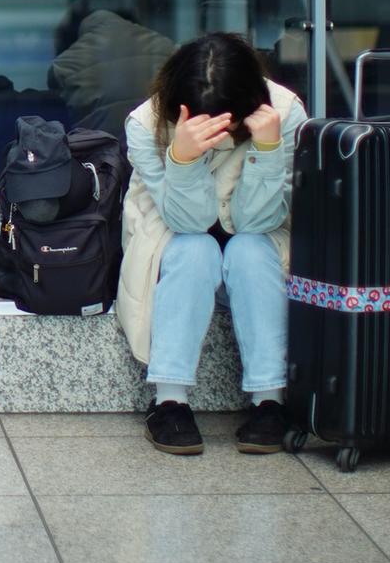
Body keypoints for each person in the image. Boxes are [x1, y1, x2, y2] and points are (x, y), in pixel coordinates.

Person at [115, 32, 307, 456]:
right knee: (194, 248)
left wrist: (268, 148)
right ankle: (169, 399)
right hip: (175, 245)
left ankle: (270, 400)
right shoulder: (146, 124)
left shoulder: (284, 112)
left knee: (250, 249)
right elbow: (188, 221)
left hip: (259, 244)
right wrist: (183, 159)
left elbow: (260, 219)